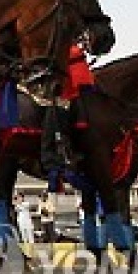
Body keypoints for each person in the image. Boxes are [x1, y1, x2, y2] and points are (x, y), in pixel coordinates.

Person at [40, 42, 95, 181]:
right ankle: (54, 161)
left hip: (70, 91)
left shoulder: (70, 48)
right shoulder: (71, 49)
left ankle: (54, 162)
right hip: (70, 91)